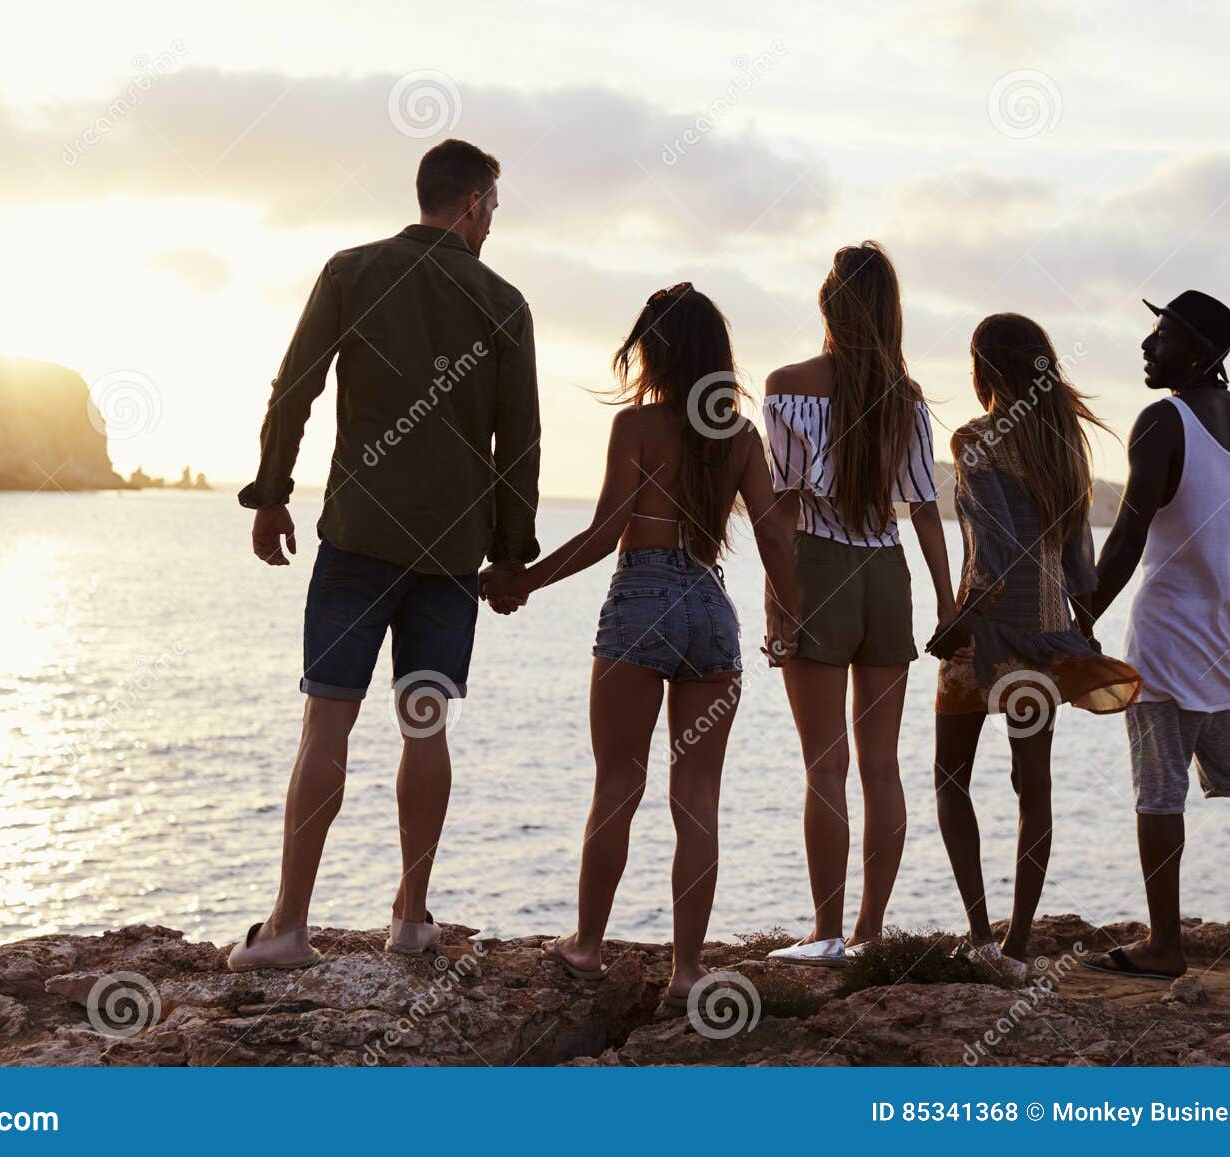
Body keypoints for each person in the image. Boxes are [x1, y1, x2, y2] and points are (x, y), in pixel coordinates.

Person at [227, 139, 541, 971]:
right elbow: (522, 443)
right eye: (496, 208)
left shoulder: (351, 272)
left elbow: (293, 389)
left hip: (357, 538)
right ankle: (409, 915)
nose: (494, 223)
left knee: (326, 719)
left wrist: (270, 494)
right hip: (449, 554)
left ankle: (289, 925)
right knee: (424, 723)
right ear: (473, 203)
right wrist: (510, 557)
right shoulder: (505, 304)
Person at [483, 283, 800, 1007]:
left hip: (640, 603)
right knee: (697, 798)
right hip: (711, 611)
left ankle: (586, 946)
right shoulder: (741, 437)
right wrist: (789, 617)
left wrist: (526, 579)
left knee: (617, 787)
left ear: (654, 353)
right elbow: (777, 532)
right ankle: (688, 969)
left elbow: (604, 534)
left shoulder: (636, 428)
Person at [1085, 290, 1230, 980]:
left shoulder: (1162, 421)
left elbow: (1126, 537)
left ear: (1201, 352)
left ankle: (1165, 944)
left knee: (1158, 793)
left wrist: (1077, 622)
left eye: (1163, 336)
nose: (1148, 347)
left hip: (1166, 642)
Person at [760, 241, 958, 966]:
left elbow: (781, 509)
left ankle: (825, 932)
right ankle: (871, 930)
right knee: (882, 764)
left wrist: (780, 601)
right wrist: (946, 602)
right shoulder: (905, 399)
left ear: (827, 303)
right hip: (889, 575)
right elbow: (927, 511)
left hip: (819, 567)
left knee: (826, 766)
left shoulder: (787, 385)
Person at [926, 314, 1141, 978]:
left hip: (980, 640)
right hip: (1044, 640)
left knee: (950, 778)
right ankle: (1019, 948)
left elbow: (990, 555)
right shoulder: (1066, 447)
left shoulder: (973, 440)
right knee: (1033, 787)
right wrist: (1082, 624)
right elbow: (1081, 562)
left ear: (985, 371)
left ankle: (979, 938)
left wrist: (956, 625)